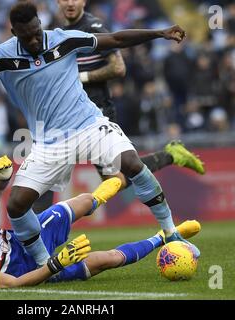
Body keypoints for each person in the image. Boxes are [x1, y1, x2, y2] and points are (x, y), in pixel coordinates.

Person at [0, 1, 199, 267]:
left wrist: (160, 33)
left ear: (40, 24)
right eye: (26, 36)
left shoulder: (63, 40)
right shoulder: (3, 56)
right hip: (48, 142)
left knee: (132, 164)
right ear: (14, 32)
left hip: (89, 125)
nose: (34, 40)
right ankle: (46, 265)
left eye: (37, 32)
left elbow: (115, 38)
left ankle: (172, 233)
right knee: (17, 206)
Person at [0, 155, 201, 289]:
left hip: (28, 236)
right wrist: (56, 264)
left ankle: (109, 190)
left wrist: (1, 172)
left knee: (81, 201)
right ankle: (164, 237)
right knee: (106, 259)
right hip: (37, 267)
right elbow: (14, 285)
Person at [32, 0, 205, 213]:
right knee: (49, 167)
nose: (70, 3)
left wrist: (79, 77)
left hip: (96, 112)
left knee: (118, 180)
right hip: (68, 113)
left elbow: (118, 67)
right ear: (57, 2)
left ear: (84, 1)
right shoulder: (56, 31)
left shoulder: (93, 27)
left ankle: (171, 155)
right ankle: (37, 236)